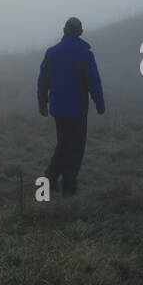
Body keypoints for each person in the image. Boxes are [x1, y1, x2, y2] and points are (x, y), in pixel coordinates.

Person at [37, 17, 105, 195]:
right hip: (78, 110)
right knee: (75, 148)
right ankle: (68, 187)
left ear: (64, 30)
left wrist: (42, 103)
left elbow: (43, 81)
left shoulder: (51, 53)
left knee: (63, 145)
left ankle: (49, 181)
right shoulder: (85, 54)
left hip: (58, 109)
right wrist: (100, 104)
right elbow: (94, 82)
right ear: (80, 32)